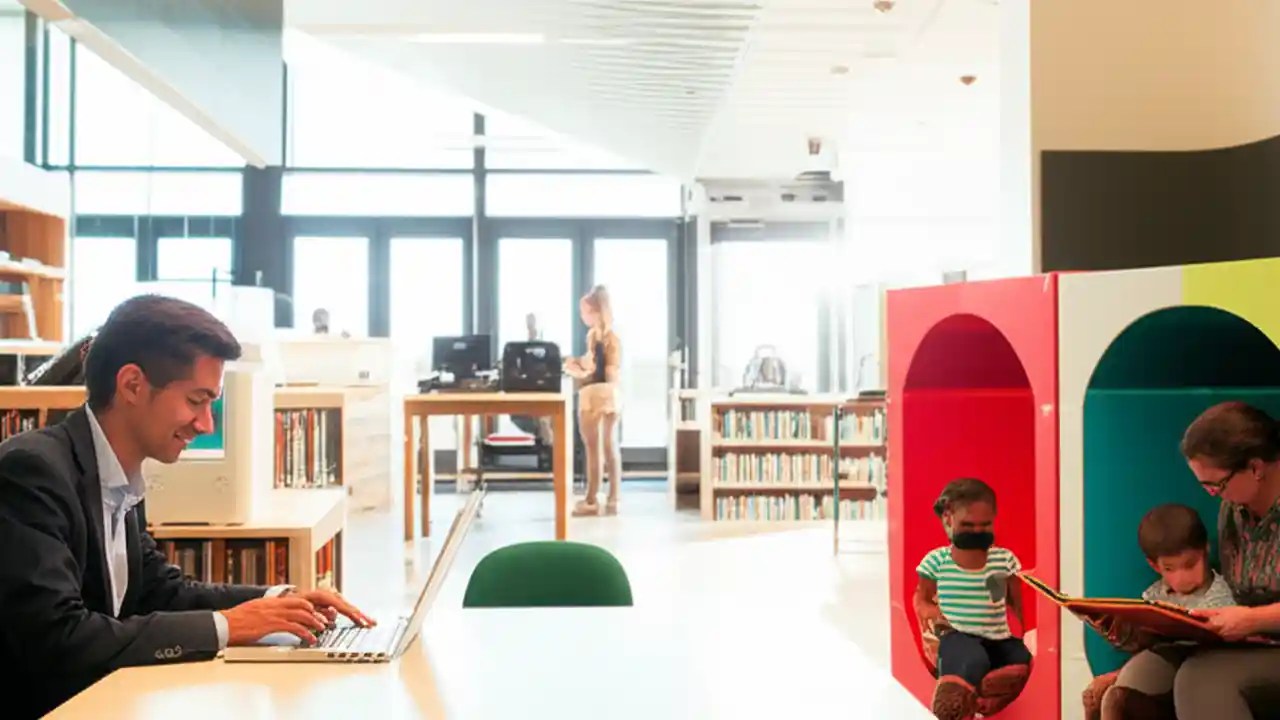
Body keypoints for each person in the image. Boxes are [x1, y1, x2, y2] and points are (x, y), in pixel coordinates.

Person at [0, 295, 374, 718]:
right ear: (132, 385)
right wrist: (231, 626)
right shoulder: (33, 472)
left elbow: (159, 590)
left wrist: (279, 601)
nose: (206, 424)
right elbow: (58, 637)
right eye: (197, 401)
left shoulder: (115, 476)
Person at [1098, 503, 1235, 718]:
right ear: (1155, 566)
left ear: (1205, 550)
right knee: (1106, 695)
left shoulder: (1220, 594)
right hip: (1158, 671)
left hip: (1200, 671)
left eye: (1190, 565)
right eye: (1170, 569)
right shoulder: (1153, 597)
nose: (1183, 577)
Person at [915, 477, 1031, 720]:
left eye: (985, 525)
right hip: (957, 634)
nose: (977, 531)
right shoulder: (937, 561)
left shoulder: (1003, 561)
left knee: (1020, 657)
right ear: (948, 519)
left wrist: (1025, 630)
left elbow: (1016, 603)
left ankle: (984, 695)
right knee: (969, 657)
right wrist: (931, 615)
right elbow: (921, 598)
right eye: (968, 525)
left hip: (997, 637)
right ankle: (955, 701)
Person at [563, 285, 622, 516]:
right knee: (610, 446)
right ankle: (613, 498)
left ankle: (591, 499)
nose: (582, 316)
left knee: (593, 449)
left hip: (595, 395)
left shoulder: (597, 337)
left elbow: (598, 371)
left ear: (595, 312)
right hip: (611, 395)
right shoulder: (611, 338)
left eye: (585, 311)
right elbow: (608, 372)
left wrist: (577, 368)